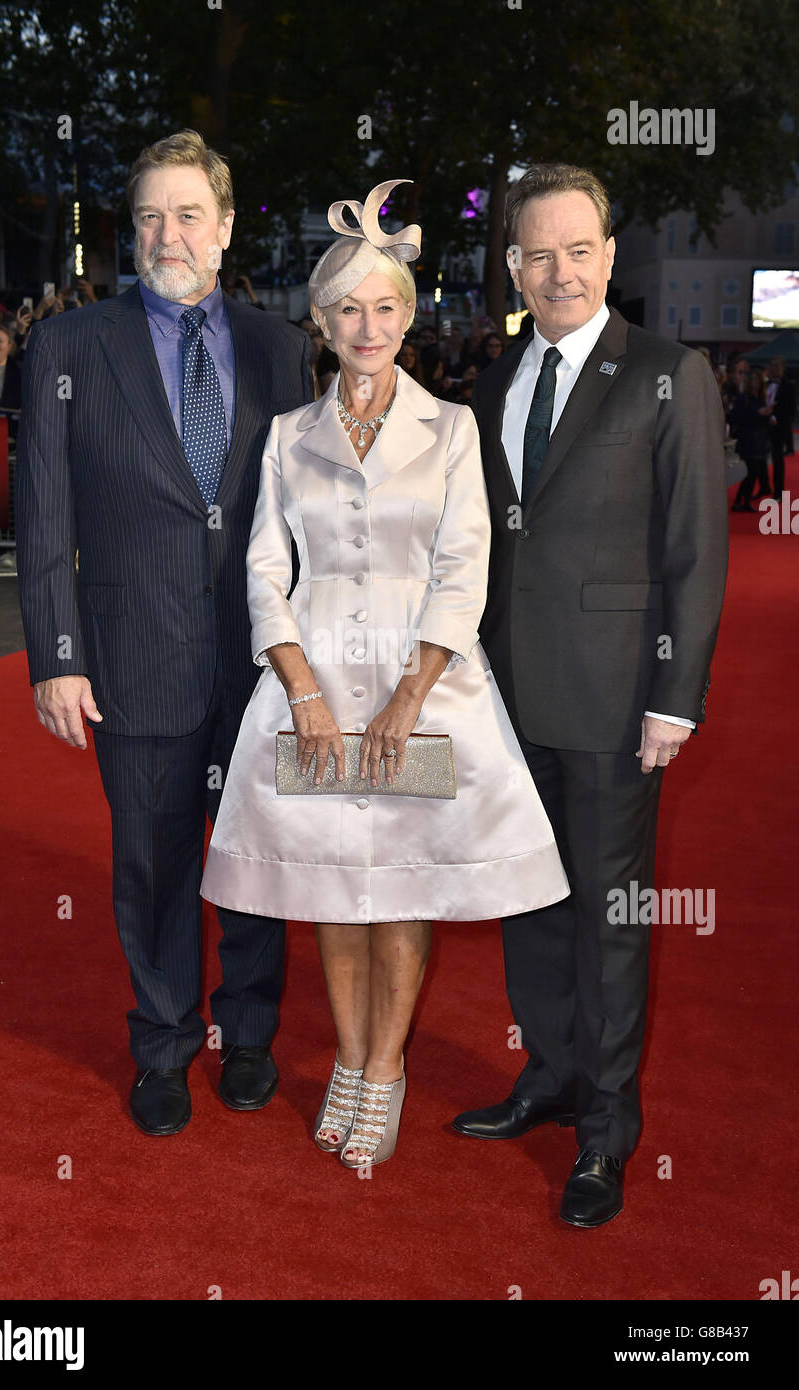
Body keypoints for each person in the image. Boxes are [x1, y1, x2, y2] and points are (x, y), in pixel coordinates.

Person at [200, 179, 568, 1171]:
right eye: (348, 310)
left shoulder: (450, 430)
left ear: (408, 317)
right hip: (311, 684)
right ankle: (348, 1058)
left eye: (385, 307)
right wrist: (303, 693)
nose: (368, 328)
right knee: (331, 884)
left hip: (425, 685)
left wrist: (408, 698)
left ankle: (385, 1066)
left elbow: (464, 568)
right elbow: (265, 573)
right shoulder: (288, 436)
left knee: (400, 884)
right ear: (322, 324)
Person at [15, 129, 313, 1137]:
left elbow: (308, 514)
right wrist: (57, 656)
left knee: (257, 853)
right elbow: (43, 515)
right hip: (132, 652)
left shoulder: (280, 349)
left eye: (188, 214)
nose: (166, 234)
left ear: (224, 229)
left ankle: (250, 1031)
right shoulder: (68, 347)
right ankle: (163, 1042)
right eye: (149, 216)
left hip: (260, 659)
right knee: (151, 863)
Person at [456, 163, 728, 1227]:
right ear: (513, 266)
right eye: (538, 254)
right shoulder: (492, 385)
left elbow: (695, 548)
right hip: (508, 698)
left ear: (609, 257)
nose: (559, 271)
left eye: (578, 250)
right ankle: (552, 1075)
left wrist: (676, 696)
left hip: (617, 701)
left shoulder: (668, 373)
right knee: (529, 900)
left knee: (609, 918)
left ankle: (607, 1132)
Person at [728, 366, 770, 511]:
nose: (755, 383)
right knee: (753, 472)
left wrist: (767, 417)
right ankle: (740, 502)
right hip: (747, 439)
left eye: (757, 380)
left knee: (754, 472)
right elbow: (734, 417)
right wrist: (757, 413)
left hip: (759, 440)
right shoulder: (744, 398)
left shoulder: (761, 398)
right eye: (753, 380)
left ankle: (742, 501)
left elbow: (762, 419)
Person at [765, 356, 796, 501]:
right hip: (762, 426)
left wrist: (775, 418)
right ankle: (764, 487)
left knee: (777, 459)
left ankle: (778, 492)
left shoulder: (789, 385)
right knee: (758, 459)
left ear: (783, 368)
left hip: (778, 427)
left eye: (777, 365)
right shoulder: (764, 384)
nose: (774, 368)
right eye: (772, 365)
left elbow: (791, 410)